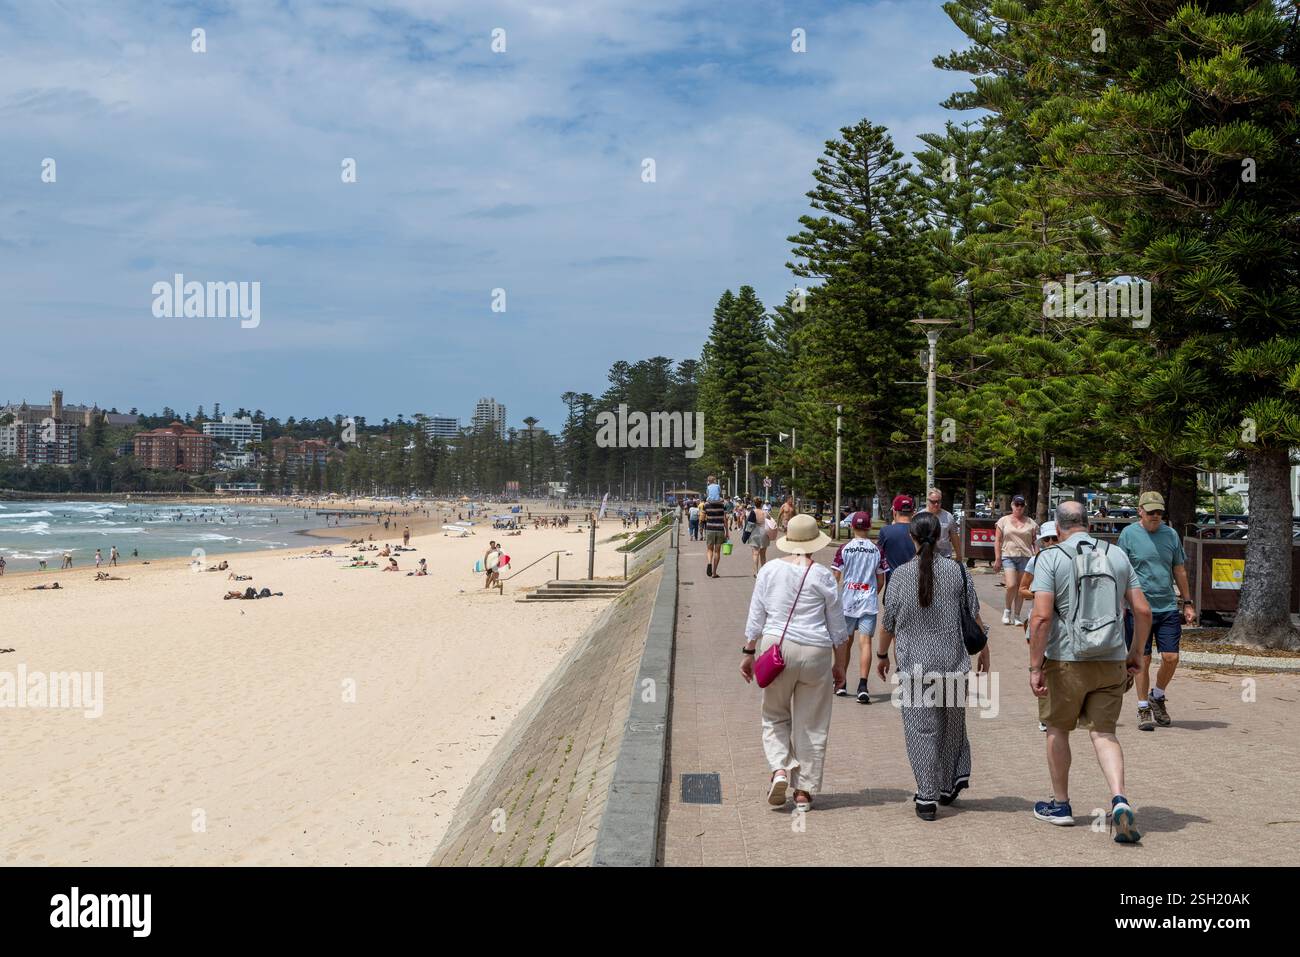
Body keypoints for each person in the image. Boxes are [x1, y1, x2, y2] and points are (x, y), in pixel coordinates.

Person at [1028, 501, 1149, 843]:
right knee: (1104, 734)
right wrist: (1134, 652)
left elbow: (1040, 618)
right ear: (1088, 523)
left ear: (1058, 525)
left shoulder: (1049, 558)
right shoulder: (1117, 555)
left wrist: (1035, 666)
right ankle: (1120, 799)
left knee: (1057, 728)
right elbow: (1142, 609)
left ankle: (1062, 805)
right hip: (1111, 659)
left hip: (1066, 660)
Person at [876, 512, 989, 820]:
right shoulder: (958, 572)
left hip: (915, 667)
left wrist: (882, 655)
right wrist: (985, 651)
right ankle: (949, 782)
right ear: (940, 536)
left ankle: (926, 795)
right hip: (953, 664)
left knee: (921, 729)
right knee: (952, 726)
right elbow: (973, 614)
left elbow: (888, 622)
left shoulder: (899, 576)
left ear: (911, 537)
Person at [740, 513, 849, 812]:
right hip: (816, 651)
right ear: (815, 543)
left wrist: (749, 652)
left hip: (777, 647)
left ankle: (778, 769)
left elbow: (756, 616)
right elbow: (838, 628)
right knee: (812, 723)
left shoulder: (770, 570)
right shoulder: (824, 575)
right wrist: (840, 666)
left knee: (774, 714)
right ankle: (804, 791)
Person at [1118, 491, 1196, 731]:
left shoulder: (1170, 535)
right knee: (1143, 659)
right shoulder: (1128, 534)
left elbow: (1179, 570)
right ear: (1140, 510)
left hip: (1167, 607)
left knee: (1171, 658)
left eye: (1159, 512)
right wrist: (1120, 603)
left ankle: (1157, 696)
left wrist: (1188, 602)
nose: (1155, 516)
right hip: (1139, 608)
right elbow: (1120, 569)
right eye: (1150, 512)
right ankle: (1143, 708)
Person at [832, 511, 885, 703]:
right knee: (866, 643)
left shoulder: (844, 548)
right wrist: (871, 593)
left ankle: (841, 682)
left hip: (847, 602)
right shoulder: (877, 550)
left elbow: (835, 577)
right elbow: (881, 579)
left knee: (845, 643)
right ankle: (863, 685)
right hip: (868, 602)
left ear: (852, 527)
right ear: (869, 527)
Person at [1018, 521, 1059, 732]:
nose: (1051, 543)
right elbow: (1022, 589)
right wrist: (1040, 594)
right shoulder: (1036, 560)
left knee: (1061, 667)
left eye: (1055, 538)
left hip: (1062, 622)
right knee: (1041, 666)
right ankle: (1045, 715)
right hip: (1039, 618)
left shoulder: (1069, 559)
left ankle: (1061, 711)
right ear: (1041, 542)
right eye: (1047, 539)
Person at [994, 495, 1039, 626]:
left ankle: (1017, 615)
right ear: (1012, 505)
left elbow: (1035, 542)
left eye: (1021, 505)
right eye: (1016, 504)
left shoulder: (1031, 523)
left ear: (1024, 506)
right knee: (1011, 585)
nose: (1019, 507)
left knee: (1021, 588)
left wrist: (1038, 558)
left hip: (1025, 556)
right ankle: (1007, 610)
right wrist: (997, 558)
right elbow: (997, 540)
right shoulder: (1003, 521)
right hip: (1008, 555)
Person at [877, 495, 916, 584]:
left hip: (893, 583)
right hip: (915, 584)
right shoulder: (920, 531)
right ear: (913, 512)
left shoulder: (885, 531)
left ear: (894, 511)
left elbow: (878, 558)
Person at [924, 488, 962, 559]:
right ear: (928, 501)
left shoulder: (948, 516)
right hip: (925, 556)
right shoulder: (920, 516)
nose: (936, 504)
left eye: (938, 501)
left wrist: (959, 554)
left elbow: (954, 536)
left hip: (944, 556)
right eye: (933, 502)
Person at [702, 495, 727, 578]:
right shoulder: (722, 506)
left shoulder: (706, 505)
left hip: (709, 530)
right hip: (720, 530)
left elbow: (702, 518)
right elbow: (725, 519)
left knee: (709, 550)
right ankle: (714, 572)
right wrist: (727, 532)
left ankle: (709, 563)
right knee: (717, 551)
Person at [747, 499, 770, 575]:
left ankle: (756, 572)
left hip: (755, 532)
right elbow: (770, 520)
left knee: (755, 553)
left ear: (754, 504)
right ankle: (763, 572)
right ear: (761, 504)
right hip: (764, 532)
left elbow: (749, 524)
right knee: (763, 554)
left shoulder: (753, 512)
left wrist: (746, 535)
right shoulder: (765, 513)